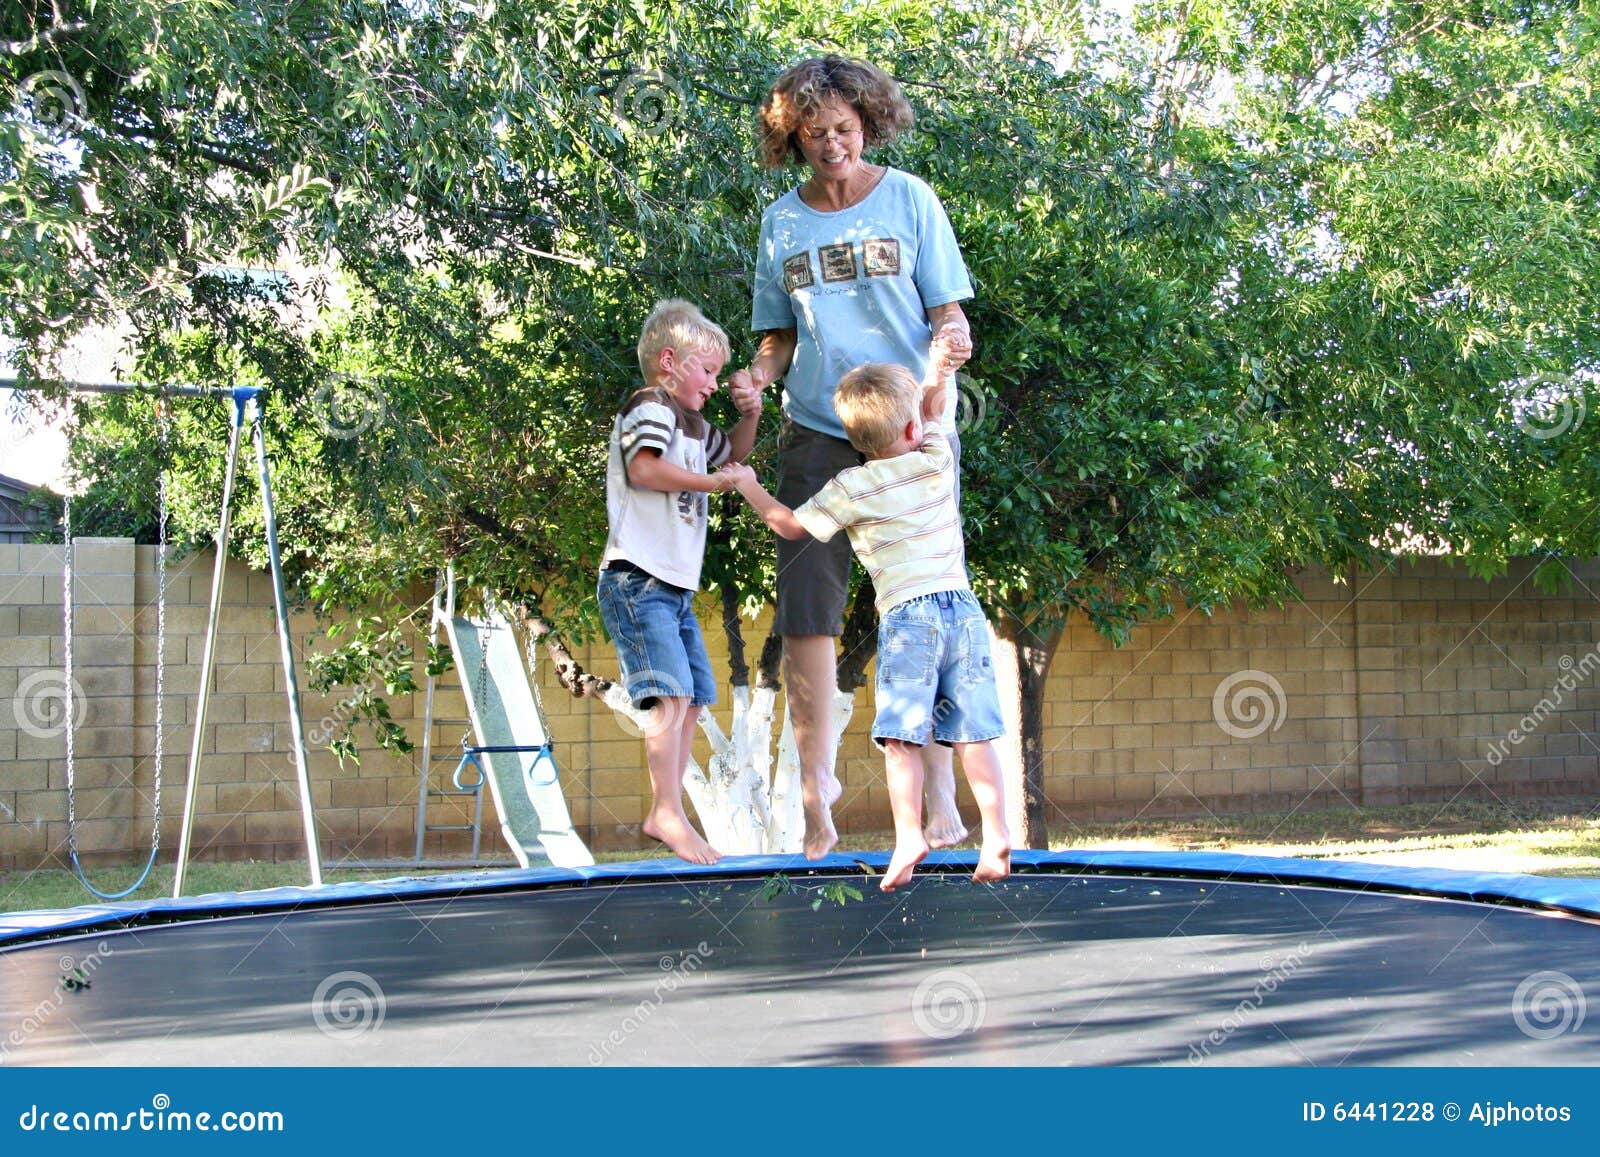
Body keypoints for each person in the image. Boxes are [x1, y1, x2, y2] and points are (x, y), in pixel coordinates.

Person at [740, 54, 976, 860]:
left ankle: (941, 793)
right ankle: (818, 794)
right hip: (816, 430)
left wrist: (952, 339)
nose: (831, 145)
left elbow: (947, 313)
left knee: (925, 604)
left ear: (867, 124)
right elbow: (777, 336)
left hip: (907, 434)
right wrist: (757, 376)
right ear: (792, 137)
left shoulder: (910, 199)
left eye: (843, 129)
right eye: (814, 134)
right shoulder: (782, 221)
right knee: (808, 613)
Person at [720, 352, 1010, 892]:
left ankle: (909, 836)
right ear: (911, 426)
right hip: (963, 611)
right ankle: (996, 834)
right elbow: (936, 408)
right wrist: (938, 371)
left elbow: (788, 526)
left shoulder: (852, 486)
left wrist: (748, 483)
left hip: (909, 618)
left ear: (857, 442)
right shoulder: (936, 457)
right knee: (974, 733)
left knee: (901, 738)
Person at [597, 299, 761, 864]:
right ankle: (666, 809)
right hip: (636, 577)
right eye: (708, 371)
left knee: (690, 698)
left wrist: (752, 413)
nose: (714, 384)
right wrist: (712, 484)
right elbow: (644, 469)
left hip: (672, 586)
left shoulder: (691, 423)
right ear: (669, 362)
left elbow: (733, 454)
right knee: (671, 695)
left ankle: (667, 808)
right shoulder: (651, 406)